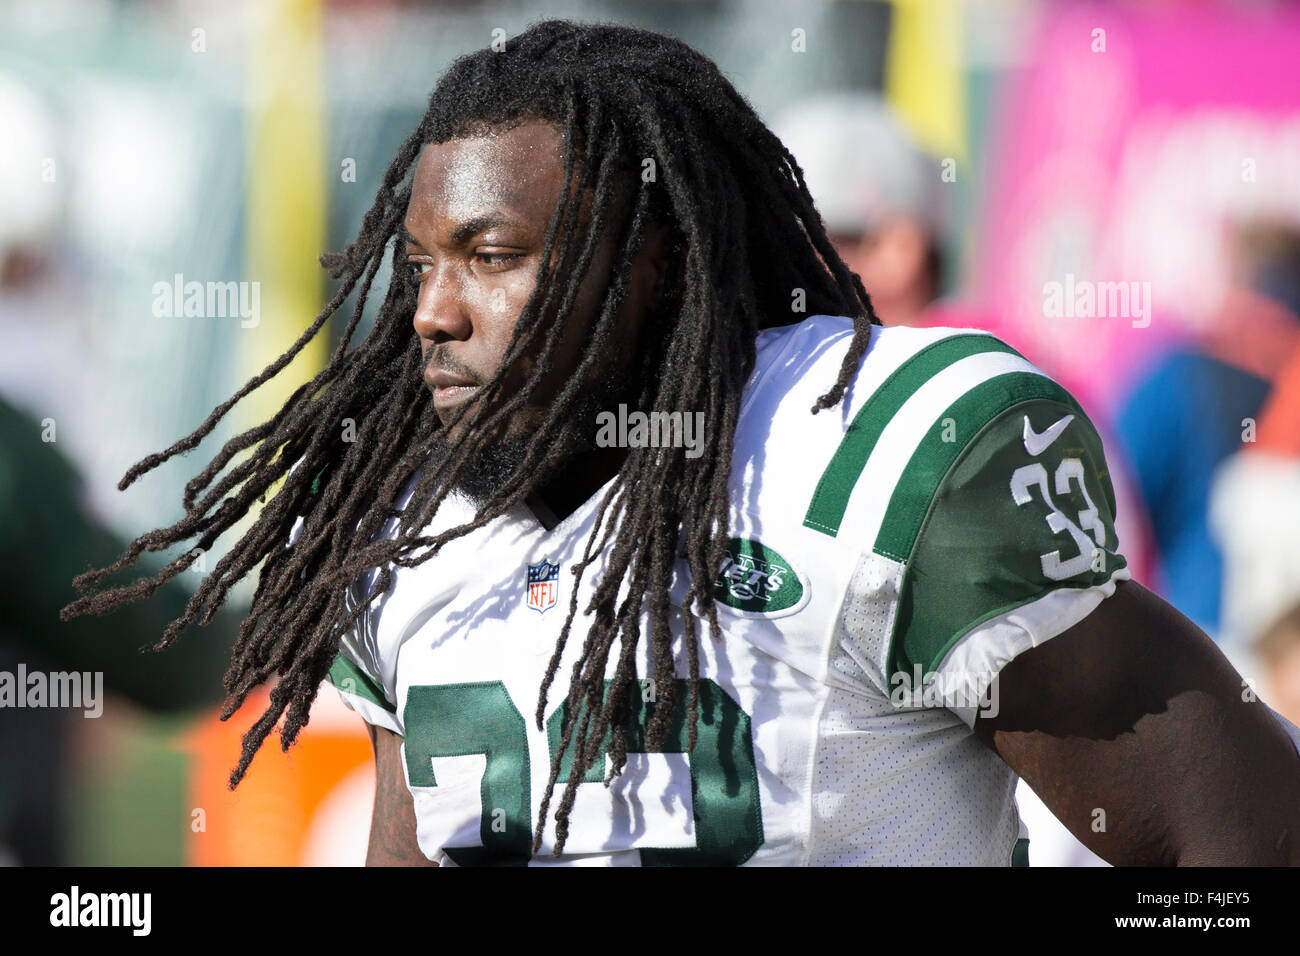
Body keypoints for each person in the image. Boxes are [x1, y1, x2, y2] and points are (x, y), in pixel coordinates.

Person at [64, 20, 1300, 866]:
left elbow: (1243, 829)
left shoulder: (869, 459)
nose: (435, 310)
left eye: (493, 257)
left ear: (652, 268)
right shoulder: (402, 527)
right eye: (422, 263)